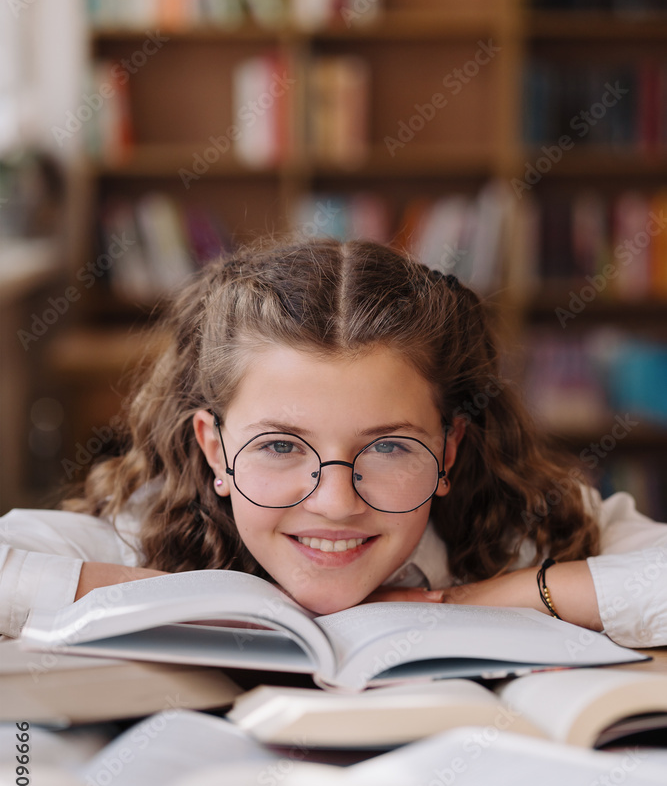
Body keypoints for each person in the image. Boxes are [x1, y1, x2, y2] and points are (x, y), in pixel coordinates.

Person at [1, 238, 665, 644]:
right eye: (280, 446)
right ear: (214, 448)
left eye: (388, 447)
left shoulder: (525, 532)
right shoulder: (141, 534)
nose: (336, 503)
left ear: (448, 450)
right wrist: (193, 600)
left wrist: (476, 600)